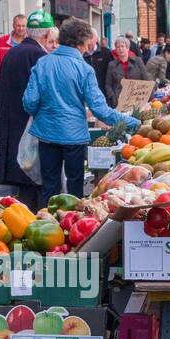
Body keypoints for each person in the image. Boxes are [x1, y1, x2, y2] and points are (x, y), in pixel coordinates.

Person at [23, 18, 140, 205]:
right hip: (74, 135)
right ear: (81, 42)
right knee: (75, 187)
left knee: (49, 185)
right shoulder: (84, 69)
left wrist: (44, 114)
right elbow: (100, 109)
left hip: (46, 133)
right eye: (87, 43)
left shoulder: (43, 63)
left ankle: (46, 217)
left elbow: (29, 102)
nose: (88, 48)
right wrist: (132, 122)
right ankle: (73, 218)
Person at [0, 9, 52, 209]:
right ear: (47, 34)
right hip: (32, 136)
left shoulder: (11, 53)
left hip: (11, 131)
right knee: (35, 195)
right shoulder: (41, 56)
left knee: (21, 195)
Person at [104, 36, 149, 106]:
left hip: (137, 99)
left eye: (122, 46)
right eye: (118, 47)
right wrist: (113, 97)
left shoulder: (138, 61)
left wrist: (146, 96)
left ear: (127, 48)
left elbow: (146, 80)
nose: (120, 49)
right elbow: (108, 84)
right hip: (119, 100)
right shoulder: (112, 64)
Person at [0, 13, 27, 85]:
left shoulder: (30, 42)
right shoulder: (2, 41)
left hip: (24, 83)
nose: (21, 28)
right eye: (18, 25)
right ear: (13, 25)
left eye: (23, 26)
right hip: (4, 82)